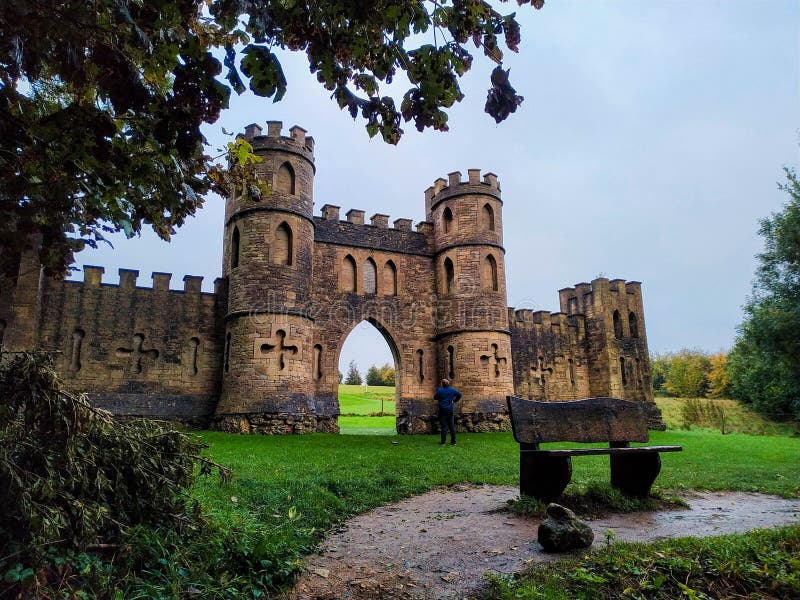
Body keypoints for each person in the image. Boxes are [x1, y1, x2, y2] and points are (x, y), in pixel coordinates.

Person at [434, 378, 462, 445]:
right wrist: (454, 401)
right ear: (448, 384)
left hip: (442, 410)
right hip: (450, 410)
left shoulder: (439, 390)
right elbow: (460, 395)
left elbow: (435, 397)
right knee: (451, 426)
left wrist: (441, 398)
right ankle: (453, 442)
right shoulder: (452, 390)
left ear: (442, 384)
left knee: (444, 426)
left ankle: (443, 442)